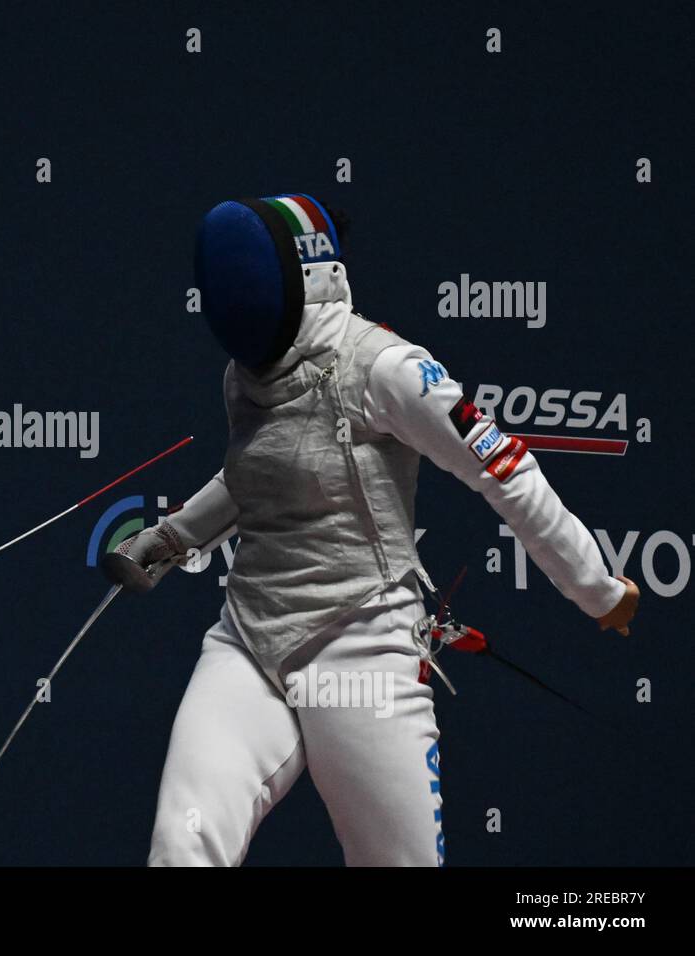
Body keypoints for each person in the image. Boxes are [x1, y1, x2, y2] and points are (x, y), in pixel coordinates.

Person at [112, 194, 639, 866]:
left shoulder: (385, 367)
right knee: (181, 846)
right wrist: (173, 539)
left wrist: (597, 590)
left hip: (358, 643)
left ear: (299, 276)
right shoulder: (243, 378)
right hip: (247, 642)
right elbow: (254, 475)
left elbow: (502, 469)